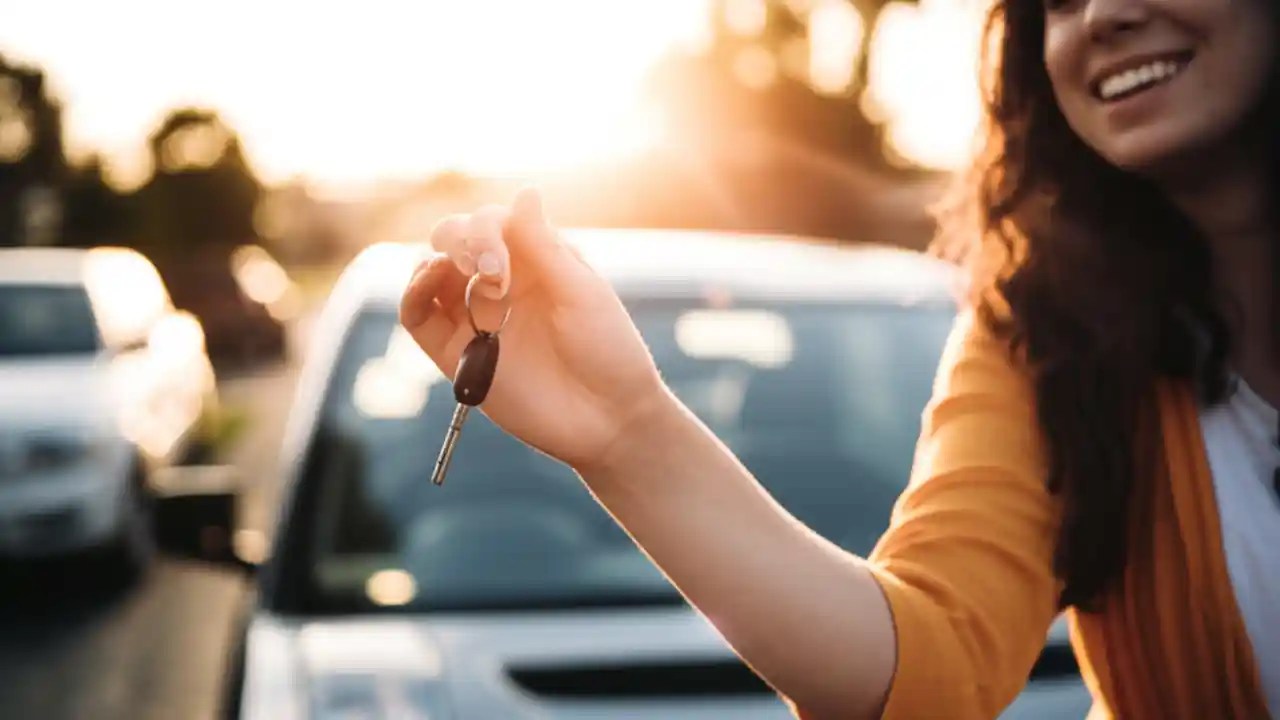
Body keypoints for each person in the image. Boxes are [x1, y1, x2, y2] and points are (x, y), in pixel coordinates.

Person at [398, 0, 1279, 717]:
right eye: (1056, 1)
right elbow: (928, 662)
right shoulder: (1046, 335)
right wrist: (627, 432)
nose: (1099, 17)